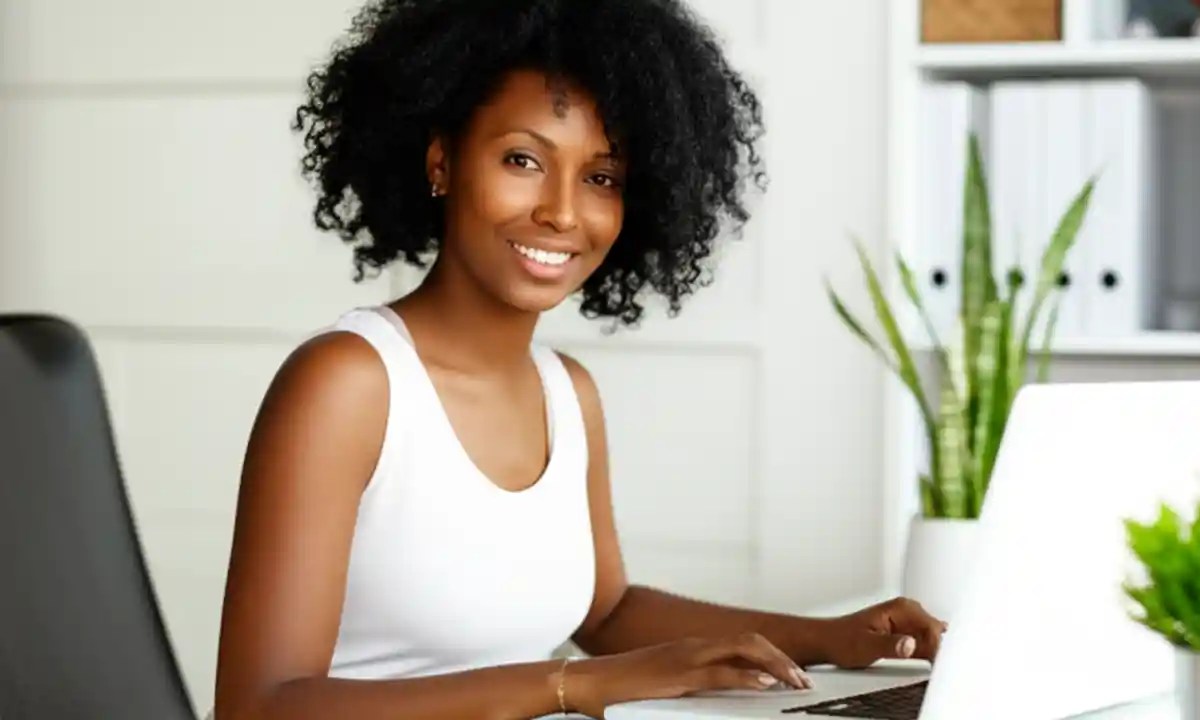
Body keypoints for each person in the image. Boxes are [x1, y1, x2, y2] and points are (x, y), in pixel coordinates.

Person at [213, 1, 946, 718]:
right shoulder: (347, 385)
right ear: (441, 161)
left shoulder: (568, 392)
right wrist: (571, 686)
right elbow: (258, 705)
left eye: (601, 178)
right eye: (523, 159)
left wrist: (835, 639)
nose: (563, 212)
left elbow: (608, 612)